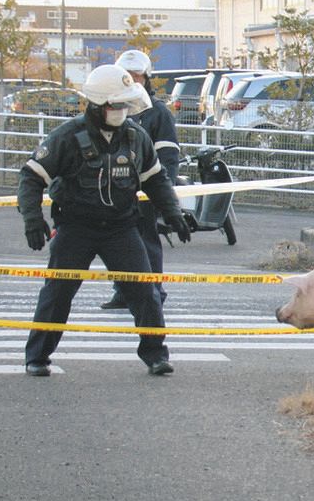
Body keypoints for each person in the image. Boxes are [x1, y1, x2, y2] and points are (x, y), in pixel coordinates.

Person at [17, 64, 191, 377]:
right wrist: (32, 219)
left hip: (121, 227)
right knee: (57, 293)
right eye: (117, 105)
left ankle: (155, 354)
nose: (123, 111)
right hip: (75, 228)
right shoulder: (67, 137)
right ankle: (38, 356)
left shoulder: (136, 137)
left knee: (146, 293)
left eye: (127, 104)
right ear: (98, 104)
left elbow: (156, 179)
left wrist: (173, 213)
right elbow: (31, 177)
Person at [101, 50, 181, 310]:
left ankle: (154, 290)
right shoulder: (112, 109)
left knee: (147, 241)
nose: (134, 81)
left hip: (145, 191)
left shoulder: (157, 113)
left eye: (138, 76)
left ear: (147, 79)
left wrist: (162, 193)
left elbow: (168, 156)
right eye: (128, 76)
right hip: (115, 191)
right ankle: (123, 292)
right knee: (117, 245)